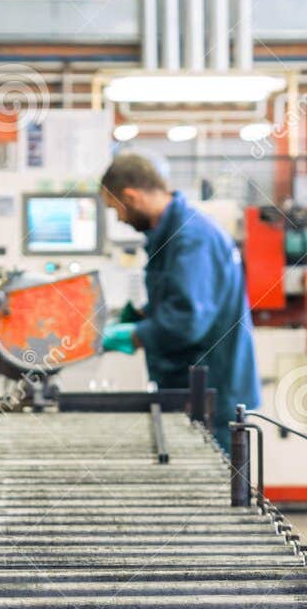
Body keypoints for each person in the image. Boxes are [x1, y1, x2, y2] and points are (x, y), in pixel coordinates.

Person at [98, 153, 257, 447]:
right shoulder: (170, 235)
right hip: (189, 387)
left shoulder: (192, 237)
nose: (119, 218)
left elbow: (188, 320)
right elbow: (177, 298)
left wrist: (133, 336)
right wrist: (140, 317)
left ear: (130, 197)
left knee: (218, 487)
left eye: (115, 208)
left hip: (214, 395)